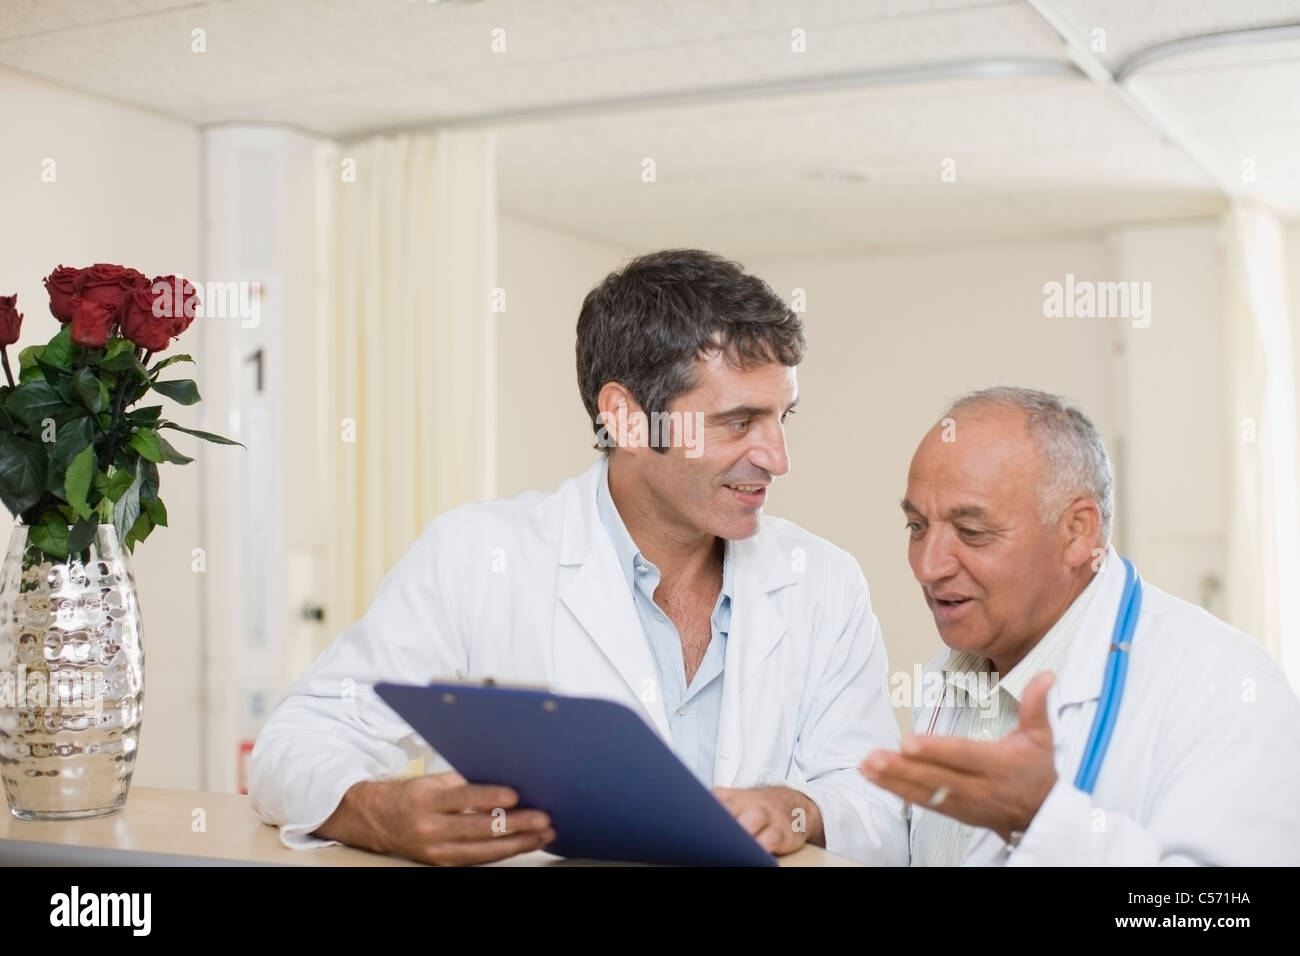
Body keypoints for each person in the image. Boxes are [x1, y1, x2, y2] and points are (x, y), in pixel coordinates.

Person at [249, 249, 908, 866]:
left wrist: (798, 808)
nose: (777, 459)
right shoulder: (479, 557)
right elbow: (293, 745)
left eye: (782, 417)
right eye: (738, 422)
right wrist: (379, 813)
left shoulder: (821, 580)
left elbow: (881, 805)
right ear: (623, 417)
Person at [861, 386, 1300, 865]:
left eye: (971, 533)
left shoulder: (1226, 687)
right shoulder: (952, 674)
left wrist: (1041, 823)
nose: (928, 567)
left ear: (1076, 532)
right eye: (917, 527)